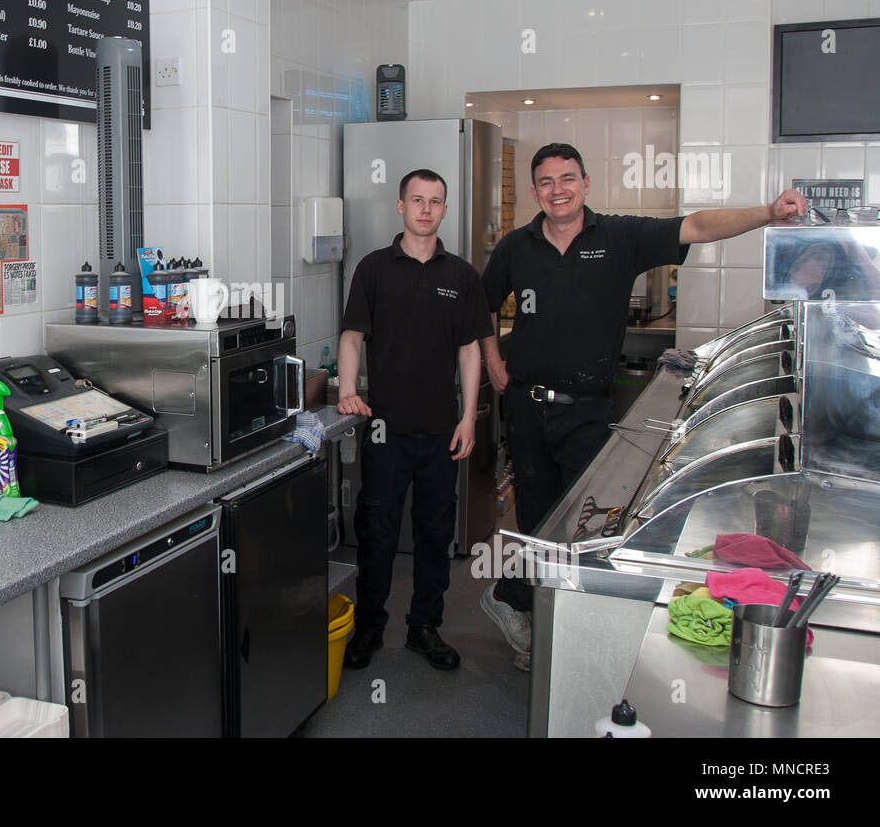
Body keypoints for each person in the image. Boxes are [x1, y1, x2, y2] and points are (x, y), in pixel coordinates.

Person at [477, 142, 808, 669]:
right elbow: (482, 307)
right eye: (545, 182)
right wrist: (495, 361)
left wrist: (768, 213)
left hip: (586, 407)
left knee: (586, 526)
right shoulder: (516, 248)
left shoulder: (619, 236)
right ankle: (522, 609)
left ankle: (570, 627)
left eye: (567, 178)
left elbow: (696, 226)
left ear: (586, 182)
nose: (557, 190)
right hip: (526, 406)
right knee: (535, 517)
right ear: (535, 190)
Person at [336, 168, 493, 672]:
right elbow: (352, 337)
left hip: (442, 431)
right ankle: (370, 627)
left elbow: (471, 351)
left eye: (436, 201)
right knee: (378, 533)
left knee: (433, 533)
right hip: (385, 431)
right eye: (417, 200)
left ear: (445, 210)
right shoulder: (374, 269)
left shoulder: (462, 276)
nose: (426, 209)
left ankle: (424, 627)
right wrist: (345, 391)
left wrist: (469, 418)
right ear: (400, 206)